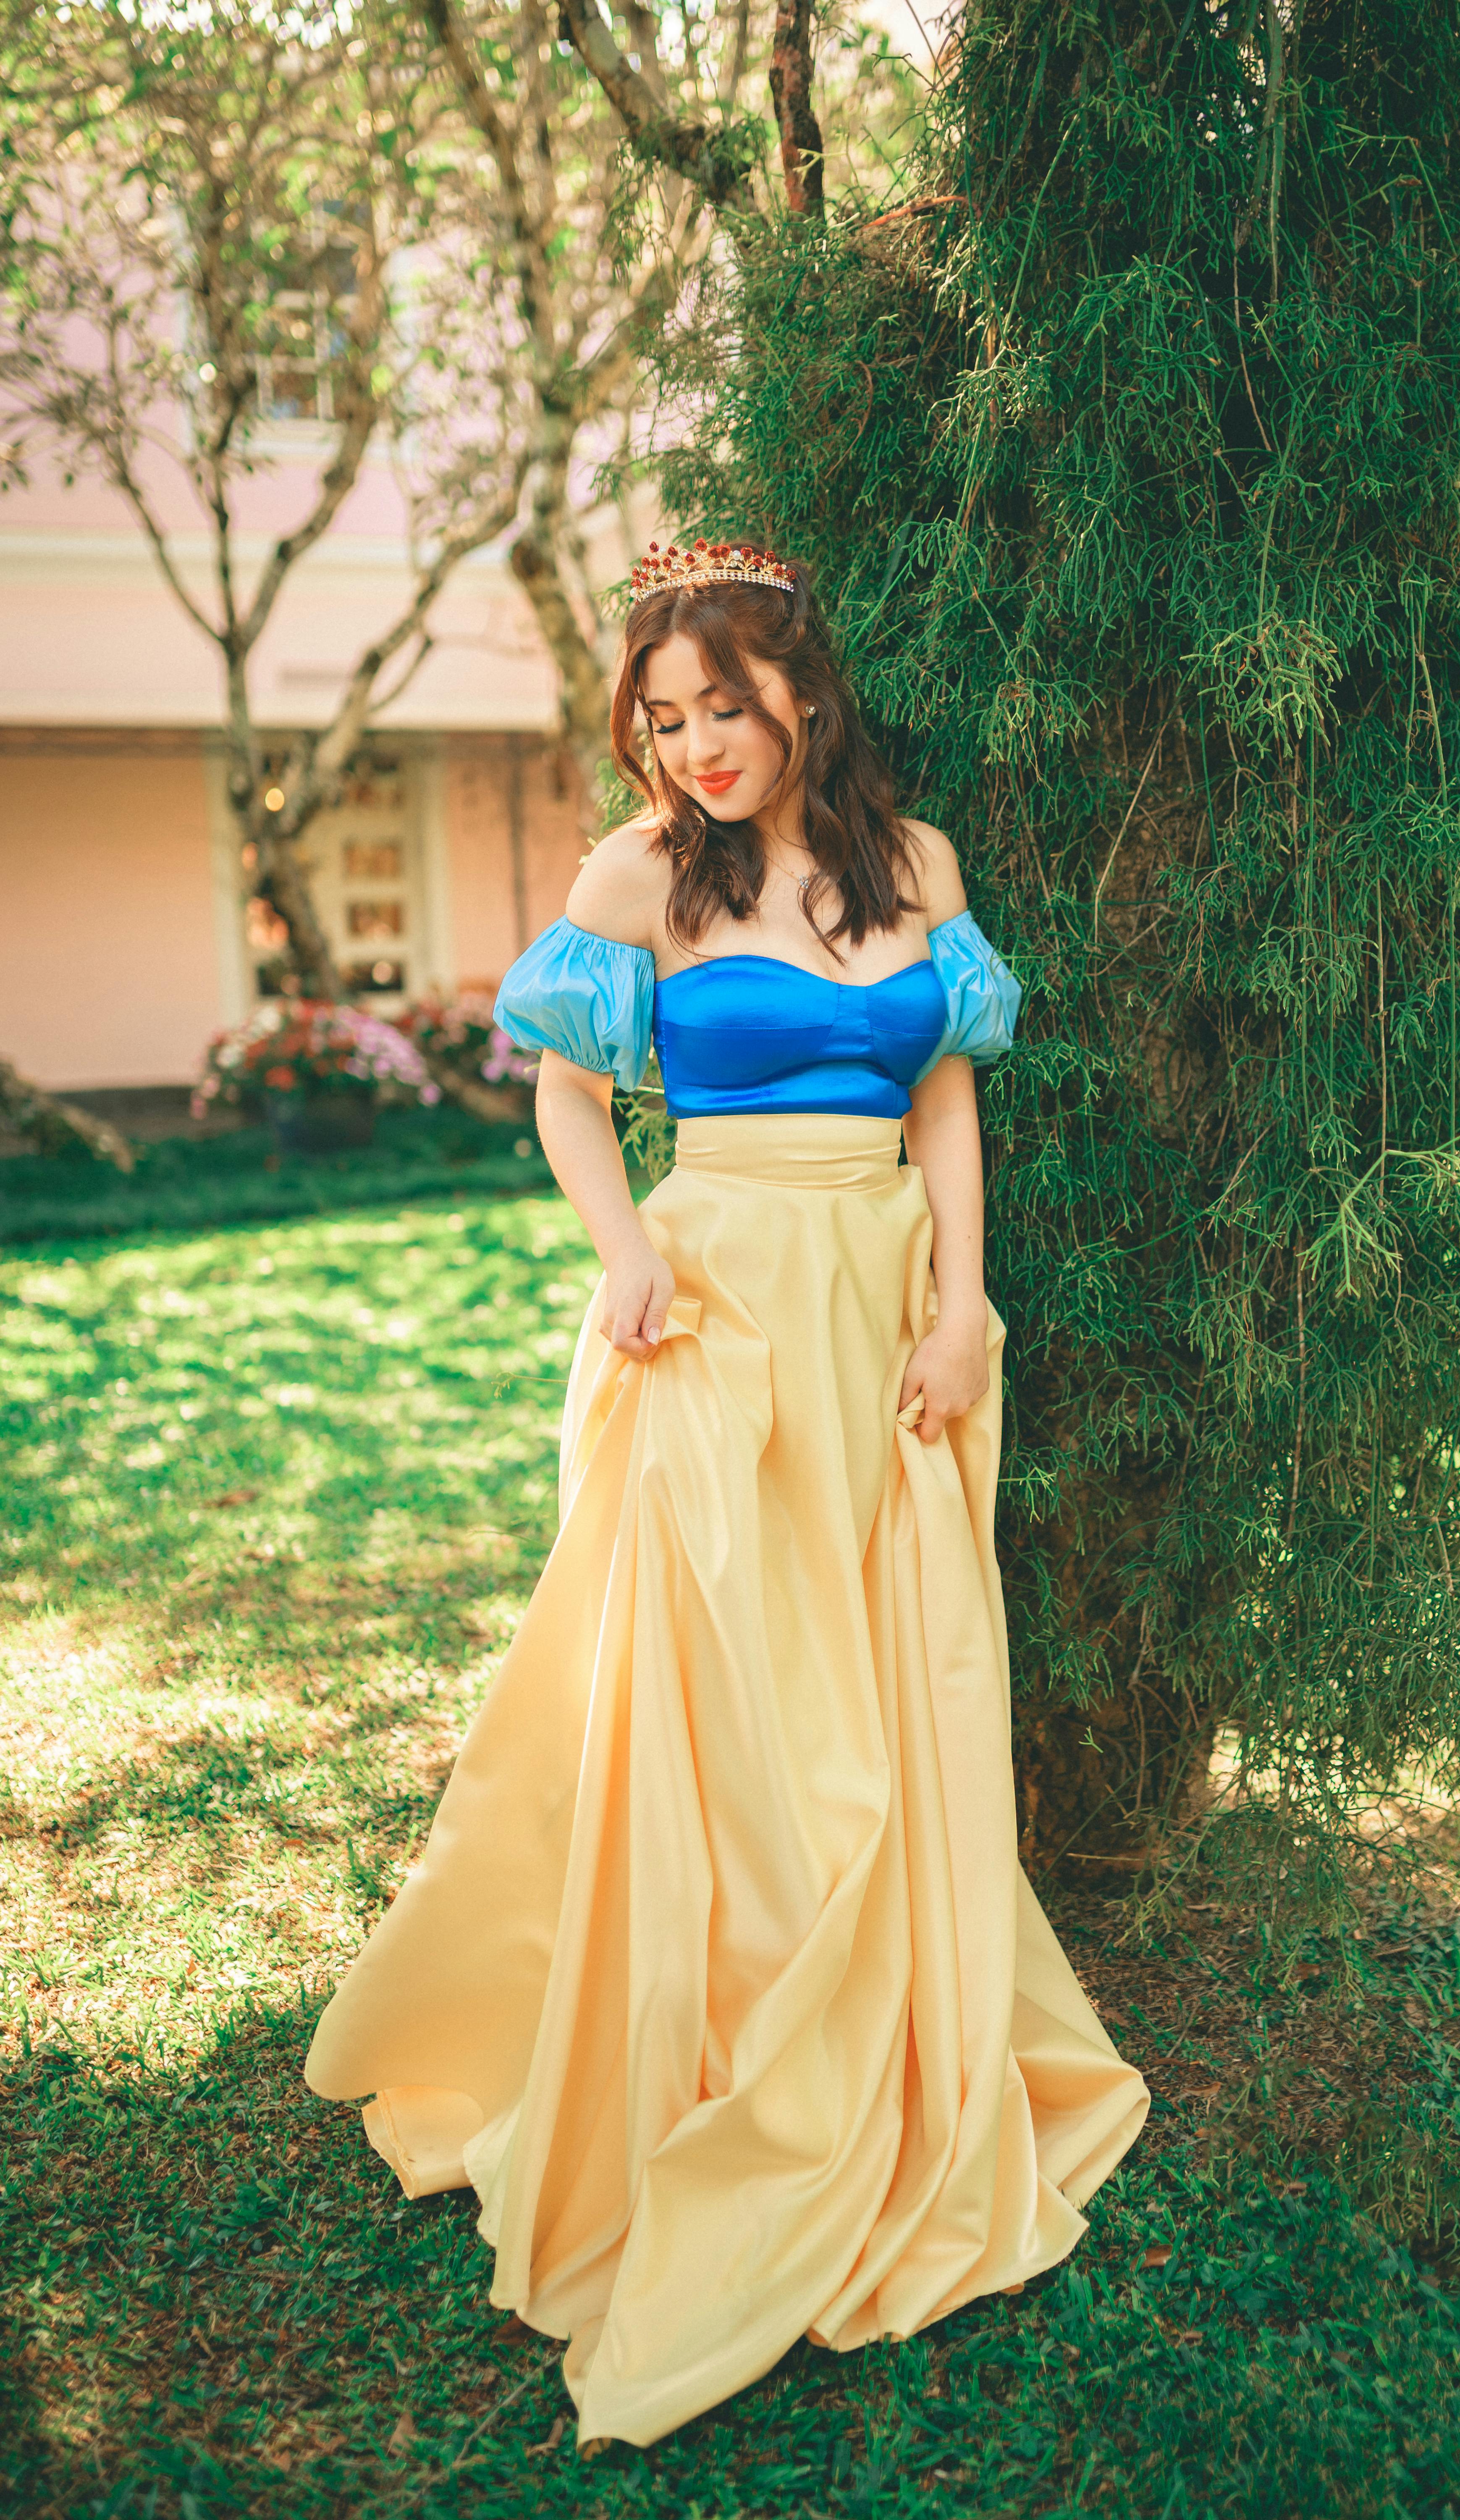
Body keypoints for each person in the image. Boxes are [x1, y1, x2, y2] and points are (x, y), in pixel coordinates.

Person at [304, 537, 1150, 2448]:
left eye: (723, 706)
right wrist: (623, 1253)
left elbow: (944, 1096)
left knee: (887, 1671)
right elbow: (564, 1095)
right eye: (663, 717)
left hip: (887, 1317)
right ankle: (736, 2049)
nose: (694, 745)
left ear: (802, 695)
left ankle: (890, 2040)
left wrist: (965, 1303)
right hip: (711, 1310)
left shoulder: (914, 865)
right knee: (742, 1702)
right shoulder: (636, 879)